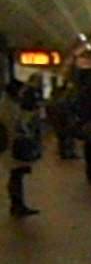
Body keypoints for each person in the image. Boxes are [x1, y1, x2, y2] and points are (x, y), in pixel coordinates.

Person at [1, 79, 40, 216]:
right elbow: (16, 125)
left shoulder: (8, 104)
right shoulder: (9, 107)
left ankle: (17, 204)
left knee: (16, 175)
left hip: (11, 146)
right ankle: (17, 205)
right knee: (16, 176)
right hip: (14, 146)